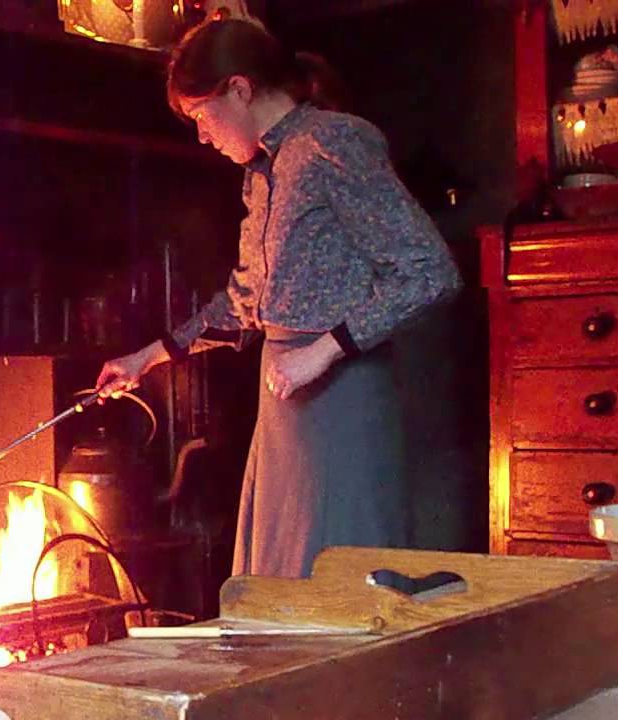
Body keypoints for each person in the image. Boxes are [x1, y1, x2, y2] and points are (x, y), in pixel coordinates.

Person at [97, 18, 460, 579]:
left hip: (340, 402)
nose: (202, 135)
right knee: (279, 580)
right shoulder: (264, 171)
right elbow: (247, 305)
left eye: (201, 116)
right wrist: (149, 357)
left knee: (338, 578)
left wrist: (323, 352)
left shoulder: (330, 143)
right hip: (285, 406)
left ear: (239, 90)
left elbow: (429, 271)